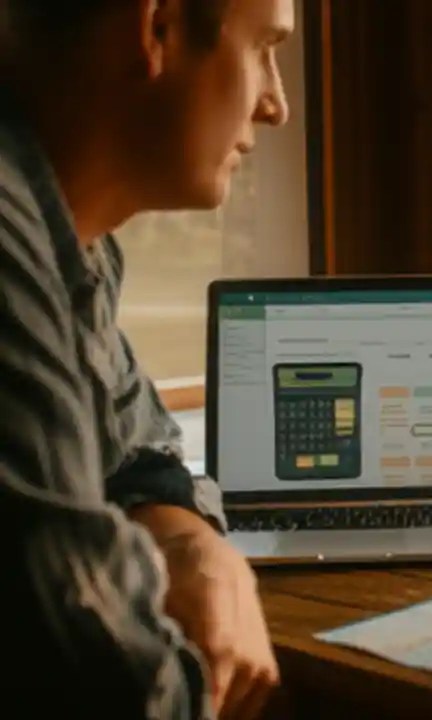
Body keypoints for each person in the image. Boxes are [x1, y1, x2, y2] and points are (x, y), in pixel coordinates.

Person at [0, 0, 293, 717]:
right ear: (156, 28)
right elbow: (104, 686)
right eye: (263, 48)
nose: (275, 104)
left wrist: (194, 550)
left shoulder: (78, 250)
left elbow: (141, 452)